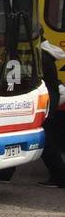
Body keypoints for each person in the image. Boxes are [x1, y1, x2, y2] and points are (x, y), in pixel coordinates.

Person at [39, 40, 65, 187]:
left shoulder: (41, 56)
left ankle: (60, 176)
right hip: (51, 98)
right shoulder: (46, 54)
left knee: (46, 140)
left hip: (46, 100)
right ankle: (4, 173)